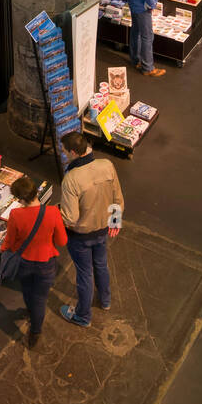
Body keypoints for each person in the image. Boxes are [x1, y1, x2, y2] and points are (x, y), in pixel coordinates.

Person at [57, 131, 124, 328]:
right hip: (103, 229)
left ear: (73, 152)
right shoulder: (107, 165)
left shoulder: (71, 179)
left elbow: (70, 218)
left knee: (84, 274)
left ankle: (82, 316)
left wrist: (56, 213)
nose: (64, 155)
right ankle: (105, 301)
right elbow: (117, 197)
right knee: (101, 265)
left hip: (81, 237)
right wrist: (115, 221)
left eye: (64, 152)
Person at [0, 176, 67, 349]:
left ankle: (32, 316)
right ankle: (35, 331)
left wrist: (4, 250)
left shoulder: (16, 215)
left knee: (28, 292)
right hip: (46, 264)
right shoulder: (53, 212)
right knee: (40, 298)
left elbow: (10, 241)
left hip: (24, 263)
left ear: (21, 199)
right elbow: (62, 241)